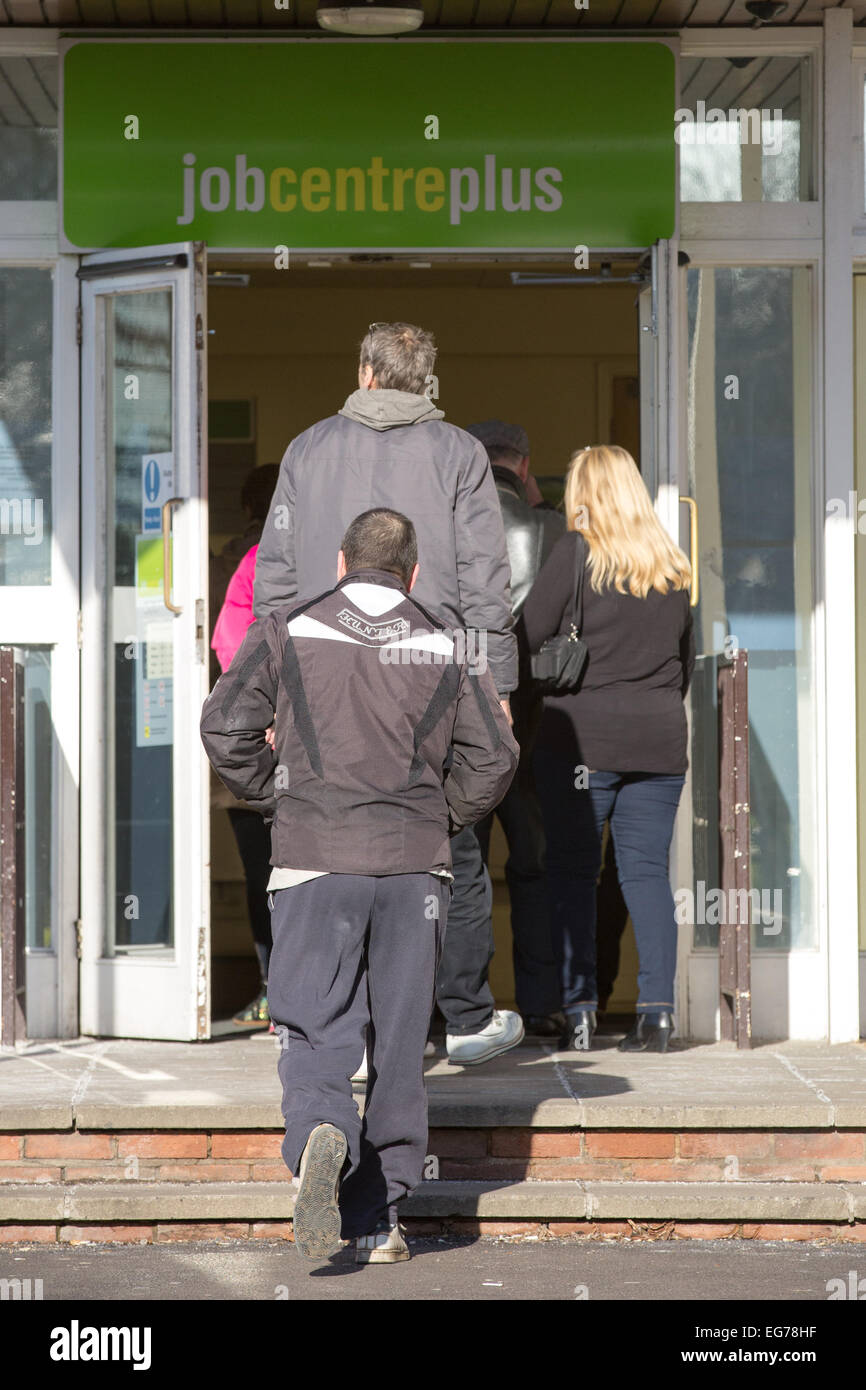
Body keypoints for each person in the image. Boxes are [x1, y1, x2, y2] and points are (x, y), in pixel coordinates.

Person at [201, 508, 518, 1263]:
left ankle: (319, 1130)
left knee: (314, 1025)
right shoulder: (446, 639)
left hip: (314, 859)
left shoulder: (286, 628)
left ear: (342, 563)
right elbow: (496, 756)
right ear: (412, 573)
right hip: (416, 870)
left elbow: (224, 727)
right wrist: (442, 815)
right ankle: (379, 1222)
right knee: (401, 1046)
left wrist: (282, 799)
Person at [252, 322, 523, 1066]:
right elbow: (484, 581)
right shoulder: (461, 454)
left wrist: (269, 685)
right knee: (444, 844)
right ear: (425, 380)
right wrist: (493, 681)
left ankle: (349, 1030)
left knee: (326, 842)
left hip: (321, 668)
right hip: (427, 669)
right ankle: (459, 1018)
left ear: (365, 372)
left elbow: (274, 579)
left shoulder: (309, 448)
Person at [520, 445, 695, 1054]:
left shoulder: (575, 554)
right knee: (646, 874)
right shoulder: (672, 565)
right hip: (660, 739)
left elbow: (526, 636)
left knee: (572, 872)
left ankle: (581, 1012)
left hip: (582, 742)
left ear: (584, 494)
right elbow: (684, 663)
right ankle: (658, 1015)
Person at [466, 420, 566, 1036]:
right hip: (540, 722)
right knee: (536, 868)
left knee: (461, 871)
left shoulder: (450, 530)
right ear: (523, 467)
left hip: (467, 725)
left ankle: (460, 1007)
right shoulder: (555, 531)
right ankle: (544, 1003)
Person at [210, 463, 279, 1028]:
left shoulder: (221, 564)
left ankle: (272, 991)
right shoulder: (311, 557)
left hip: (243, 743)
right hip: (307, 750)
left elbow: (223, 646)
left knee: (262, 873)